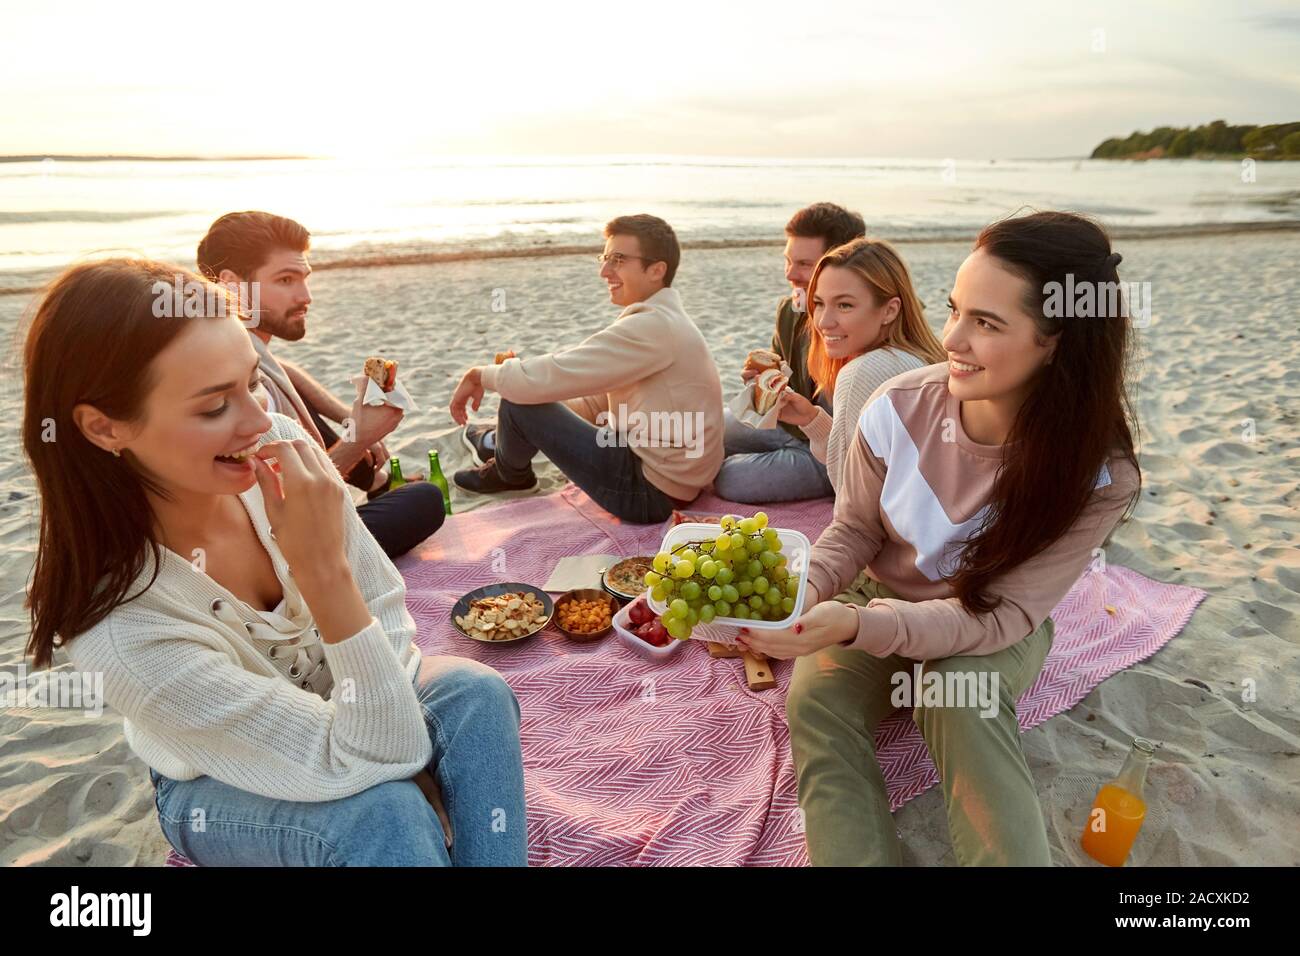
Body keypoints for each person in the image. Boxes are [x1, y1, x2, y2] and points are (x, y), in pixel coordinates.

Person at [22, 259, 527, 866]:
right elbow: (376, 756)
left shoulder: (277, 449)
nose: (262, 421)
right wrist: (322, 574)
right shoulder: (123, 630)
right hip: (217, 778)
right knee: (383, 813)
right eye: (214, 407)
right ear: (104, 428)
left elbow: (387, 608)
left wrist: (379, 724)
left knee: (476, 691)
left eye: (253, 382)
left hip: (341, 696)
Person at [738, 211, 1142, 866]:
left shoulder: (1101, 475)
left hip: (989, 621)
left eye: (986, 322)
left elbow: (1004, 613)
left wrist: (860, 627)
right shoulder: (897, 406)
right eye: (956, 309)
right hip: (876, 598)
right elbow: (855, 530)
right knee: (815, 708)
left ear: (1056, 340)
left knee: (955, 697)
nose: (951, 337)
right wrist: (805, 593)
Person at [197, 211, 444, 558]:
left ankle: (377, 483)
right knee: (426, 502)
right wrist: (358, 438)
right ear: (232, 284)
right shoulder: (231, 382)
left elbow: (283, 370)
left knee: (300, 406)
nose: (306, 296)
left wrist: (343, 414)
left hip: (292, 498)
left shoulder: (235, 338)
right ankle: (375, 489)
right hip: (278, 545)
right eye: (285, 280)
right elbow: (285, 501)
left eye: (304, 278)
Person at [449, 214, 723, 523]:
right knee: (529, 397)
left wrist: (481, 375)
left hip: (649, 493)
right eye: (605, 258)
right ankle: (502, 446)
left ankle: (510, 475)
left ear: (656, 270)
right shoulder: (664, 318)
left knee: (517, 403)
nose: (604, 271)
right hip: (672, 477)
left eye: (618, 260)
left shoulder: (653, 326)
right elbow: (597, 400)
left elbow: (559, 371)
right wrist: (545, 422)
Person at [715, 202, 865, 503]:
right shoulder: (790, 310)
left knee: (727, 478)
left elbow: (852, 436)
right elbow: (783, 380)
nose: (790, 274)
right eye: (788, 260)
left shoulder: (862, 325)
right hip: (790, 426)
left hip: (832, 452)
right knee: (709, 430)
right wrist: (764, 381)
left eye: (805, 265)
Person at [774, 237, 947, 492]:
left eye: (844, 305)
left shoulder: (863, 371)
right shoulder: (921, 360)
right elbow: (881, 465)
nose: (823, 322)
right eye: (819, 303)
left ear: (890, 310)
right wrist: (811, 419)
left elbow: (851, 495)